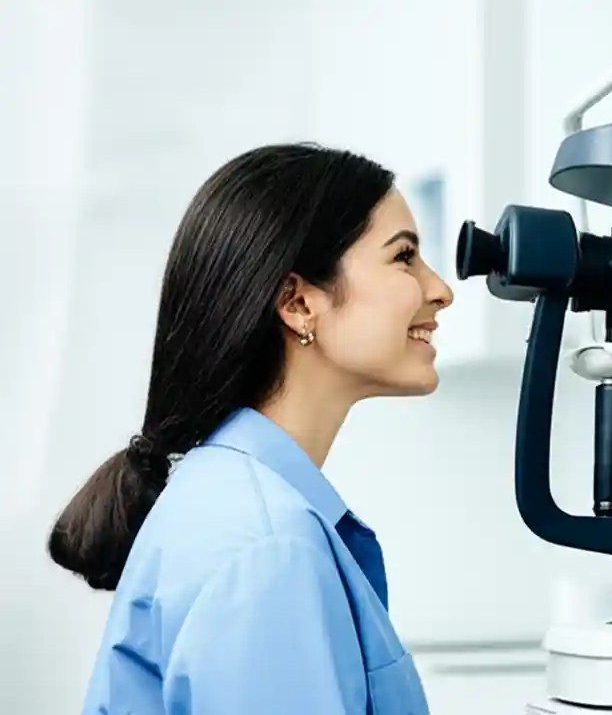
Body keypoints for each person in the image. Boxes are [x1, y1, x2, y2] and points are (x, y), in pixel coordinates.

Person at [47, 143, 453, 714]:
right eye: (404, 256)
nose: (440, 289)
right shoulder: (268, 547)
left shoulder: (236, 501)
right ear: (298, 303)